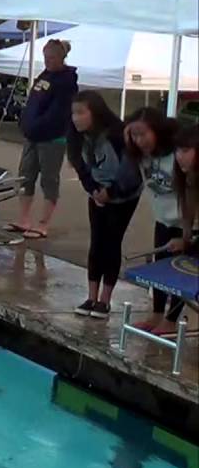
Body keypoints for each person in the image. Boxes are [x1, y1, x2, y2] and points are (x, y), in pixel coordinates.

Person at [66, 91, 141, 319]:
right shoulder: (77, 136)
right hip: (97, 191)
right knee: (96, 241)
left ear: (95, 113)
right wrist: (94, 190)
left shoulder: (117, 135)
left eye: (81, 113)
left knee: (112, 242)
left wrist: (111, 192)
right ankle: (91, 296)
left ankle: (105, 300)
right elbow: (80, 167)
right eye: (73, 113)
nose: (76, 118)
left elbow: (131, 173)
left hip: (123, 194)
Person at [119, 109, 186, 335]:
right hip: (162, 219)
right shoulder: (142, 155)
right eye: (134, 135)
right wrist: (127, 141)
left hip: (184, 223)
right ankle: (156, 314)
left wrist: (188, 233)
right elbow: (124, 178)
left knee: (178, 272)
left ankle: (171, 320)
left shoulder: (177, 155)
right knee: (159, 268)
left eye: (143, 134)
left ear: (157, 130)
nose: (139, 140)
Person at [10, 39, 77, 240]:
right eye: (45, 58)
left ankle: (43, 223)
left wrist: (38, 126)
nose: (48, 61)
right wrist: (25, 123)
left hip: (52, 138)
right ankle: (23, 218)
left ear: (61, 58)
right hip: (32, 135)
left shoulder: (67, 82)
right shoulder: (44, 76)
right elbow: (33, 102)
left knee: (49, 179)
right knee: (25, 175)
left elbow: (58, 113)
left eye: (51, 58)